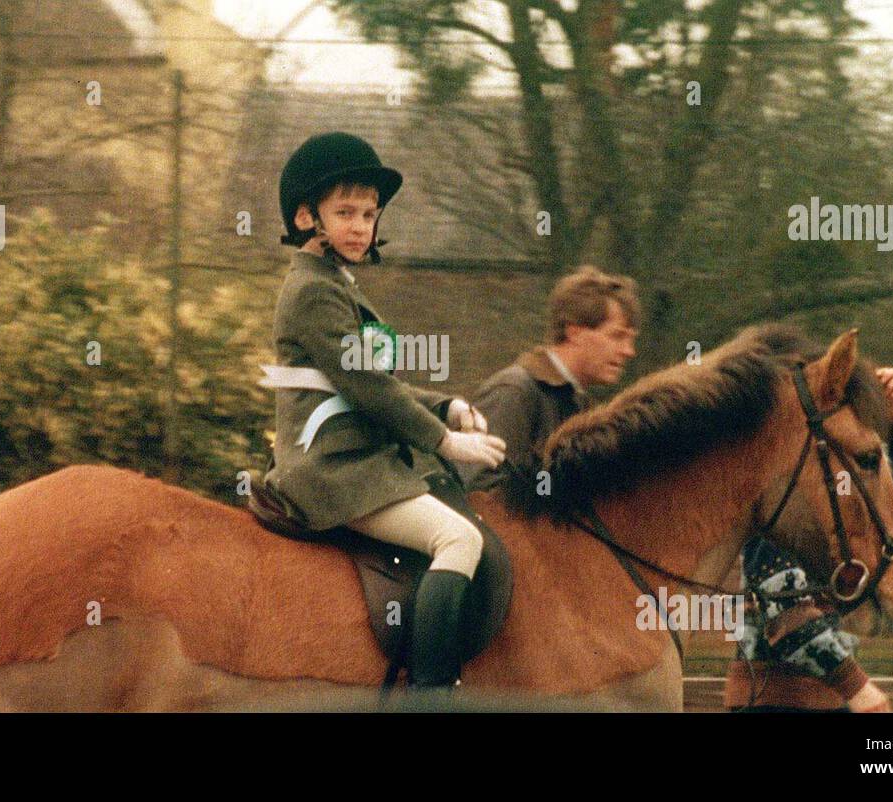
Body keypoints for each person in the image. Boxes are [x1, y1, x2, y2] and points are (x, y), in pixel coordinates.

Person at [260, 132, 507, 690]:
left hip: (355, 460)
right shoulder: (313, 292)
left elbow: (373, 381)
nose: (359, 226)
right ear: (306, 217)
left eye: (368, 214)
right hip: (334, 470)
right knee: (460, 540)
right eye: (344, 212)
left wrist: (448, 405)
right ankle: (431, 694)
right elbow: (367, 385)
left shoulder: (333, 285)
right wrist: (444, 441)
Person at [724, 366, 893, 713]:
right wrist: (858, 688)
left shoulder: (840, 504)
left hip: (826, 701)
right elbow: (784, 613)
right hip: (774, 702)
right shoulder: (789, 499)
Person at [458, 265, 640, 491]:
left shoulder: (578, 402)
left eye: (631, 339)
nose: (629, 351)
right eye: (617, 336)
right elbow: (477, 490)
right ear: (575, 332)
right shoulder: (515, 392)